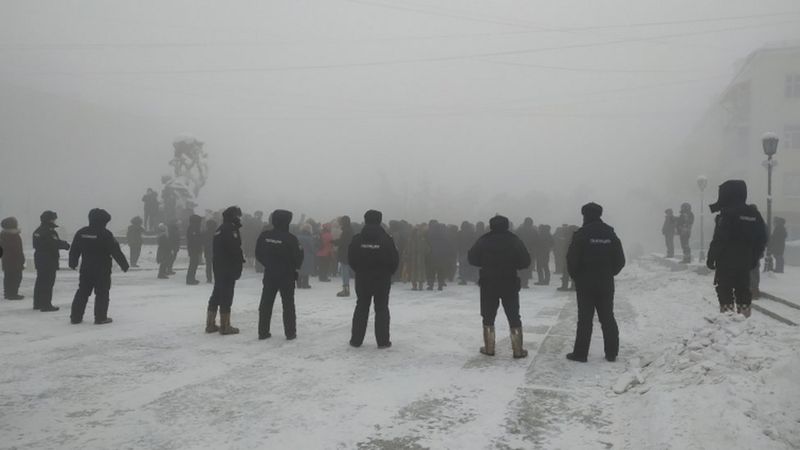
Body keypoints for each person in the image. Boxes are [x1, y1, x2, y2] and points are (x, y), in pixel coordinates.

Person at [566, 203, 625, 363]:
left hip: (585, 283)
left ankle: (581, 353)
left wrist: (577, 276)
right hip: (605, 282)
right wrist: (609, 272)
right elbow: (620, 260)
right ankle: (611, 353)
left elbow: (572, 259)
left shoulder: (582, 234)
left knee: (585, 319)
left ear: (585, 215)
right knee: (607, 317)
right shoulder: (610, 233)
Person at [468, 215, 531, 358]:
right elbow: (525, 261)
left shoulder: (484, 240)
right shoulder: (514, 240)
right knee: (514, 315)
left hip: (488, 282)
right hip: (509, 281)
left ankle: (489, 348)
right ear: (507, 225)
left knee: (488, 315)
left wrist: (485, 263)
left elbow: (472, 258)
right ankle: (517, 349)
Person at [706, 180, 768, 317]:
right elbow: (761, 239)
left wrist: (711, 258)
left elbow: (719, 239)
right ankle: (744, 315)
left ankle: (728, 316)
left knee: (724, 289)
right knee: (743, 289)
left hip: (726, 261)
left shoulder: (727, 214)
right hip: (745, 261)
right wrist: (754, 258)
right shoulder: (754, 214)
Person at [348, 210, 400, 349]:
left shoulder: (357, 239)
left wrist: (359, 270)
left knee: (361, 307)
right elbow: (394, 259)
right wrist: (389, 272)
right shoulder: (387, 239)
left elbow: (351, 257)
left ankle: (356, 340)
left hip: (363, 278)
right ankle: (383, 341)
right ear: (380, 220)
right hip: (382, 278)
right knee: (382, 308)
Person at [69, 208, 129, 324]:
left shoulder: (81, 232)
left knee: (82, 292)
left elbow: (74, 249)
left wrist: (73, 262)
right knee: (102, 292)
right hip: (102, 269)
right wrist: (124, 265)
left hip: (86, 268)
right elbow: (115, 250)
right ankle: (100, 317)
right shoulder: (106, 234)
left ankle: (75, 317)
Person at [255, 210, 304, 340]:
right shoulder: (291, 238)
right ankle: (290, 332)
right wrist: (291, 266)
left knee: (266, 303)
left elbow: (258, 253)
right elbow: (298, 257)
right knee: (288, 304)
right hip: (286, 275)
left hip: (270, 273)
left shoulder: (265, 236)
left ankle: (263, 331)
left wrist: (268, 264)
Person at [206, 206, 245, 335]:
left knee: (217, 293)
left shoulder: (219, 229)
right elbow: (234, 249)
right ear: (234, 216)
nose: (239, 218)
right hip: (228, 266)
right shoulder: (231, 229)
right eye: (238, 216)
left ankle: (210, 324)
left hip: (218, 265)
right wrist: (239, 263)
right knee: (227, 294)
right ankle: (225, 326)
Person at [32, 211, 70, 311]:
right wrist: (66, 245)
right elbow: (54, 243)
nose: (55, 220)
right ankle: (46, 304)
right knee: (48, 282)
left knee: (40, 281)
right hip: (48, 259)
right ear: (50, 219)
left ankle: (38, 303)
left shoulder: (38, 230)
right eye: (54, 218)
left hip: (40, 258)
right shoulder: (49, 231)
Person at [1, 217, 25, 300]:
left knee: (15, 277)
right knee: (12, 277)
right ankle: (10, 294)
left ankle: (12, 293)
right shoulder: (7, 235)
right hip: (11, 260)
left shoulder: (13, 234)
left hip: (15, 259)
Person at [516, 218, 539, 289]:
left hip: (520, 250)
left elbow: (516, 239)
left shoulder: (519, 230)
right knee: (527, 268)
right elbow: (537, 241)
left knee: (519, 268)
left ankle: (519, 282)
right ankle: (525, 283)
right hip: (530, 251)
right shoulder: (534, 231)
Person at [335, 216, 354, 297]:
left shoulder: (346, 231)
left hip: (344, 253)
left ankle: (346, 290)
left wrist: (333, 241)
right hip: (349, 252)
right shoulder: (350, 230)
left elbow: (343, 242)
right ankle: (346, 289)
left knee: (344, 271)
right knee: (347, 270)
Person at [297, 224, 316, 289]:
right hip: (307, 255)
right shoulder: (309, 238)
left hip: (298, 255)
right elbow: (311, 247)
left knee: (299, 270)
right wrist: (314, 252)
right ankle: (305, 284)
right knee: (306, 270)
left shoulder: (298, 236)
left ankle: (299, 284)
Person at [185, 215, 203, 285]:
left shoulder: (194, 227)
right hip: (193, 248)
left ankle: (192, 278)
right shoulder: (193, 227)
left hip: (194, 248)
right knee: (193, 264)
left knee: (194, 264)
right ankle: (190, 279)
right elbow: (194, 239)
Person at [203, 218, 217, 284]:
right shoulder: (217, 232)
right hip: (216, 251)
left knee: (208, 266)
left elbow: (203, 242)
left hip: (208, 251)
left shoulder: (205, 232)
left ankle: (209, 279)